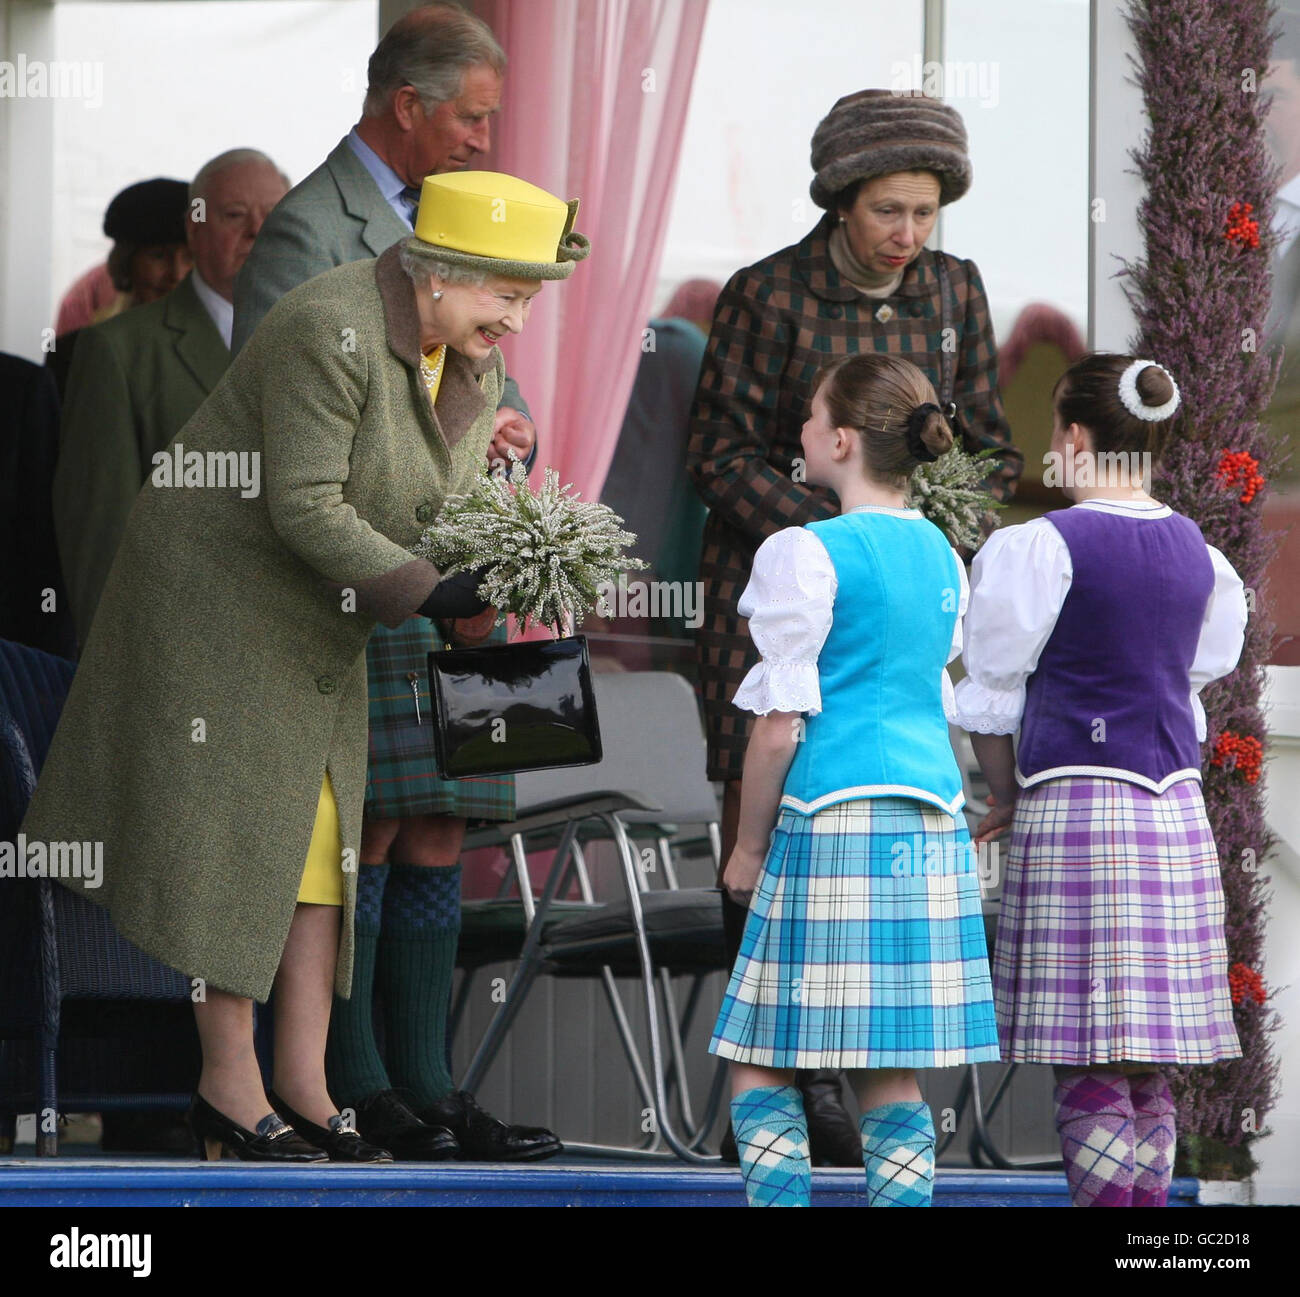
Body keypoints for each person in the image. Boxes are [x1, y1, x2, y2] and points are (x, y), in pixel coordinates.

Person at [20, 170, 589, 1163]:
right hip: (216, 605)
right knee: (239, 837)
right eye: (509, 294)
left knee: (324, 834)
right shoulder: (325, 325)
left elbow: (437, 515)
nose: (519, 320)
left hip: (322, 618)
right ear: (443, 270)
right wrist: (435, 591)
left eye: (529, 299)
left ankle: (307, 1084)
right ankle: (226, 1083)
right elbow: (308, 507)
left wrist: (483, 591)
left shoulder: (471, 362)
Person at [232, 4, 555, 1160]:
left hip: (454, 566)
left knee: (441, 823)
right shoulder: (308, 227)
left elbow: (474, 376)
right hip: (359, 578)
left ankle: (430, 1084)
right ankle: (355, 1083)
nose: (484, 137)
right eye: (470, 116)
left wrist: (504, 424)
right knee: (360, 831)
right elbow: (286, 437)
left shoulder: (462, 221)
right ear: (406, 106)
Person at [688, 87, 1020, 1163]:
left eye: (925, 212)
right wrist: (833, 537)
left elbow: (987, 450)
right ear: (840, 199)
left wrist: (902, 539)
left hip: (892, 617)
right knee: (770, 828)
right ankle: (797, 1090)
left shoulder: (955, 290)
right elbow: (717, 453)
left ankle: (850, 1091)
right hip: (779, 605)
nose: (908, 235)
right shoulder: (766, 295)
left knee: (871, 877)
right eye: (888, 209)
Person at [954, 354, 1247, 1208]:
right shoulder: (1203, 554)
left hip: (1078, 805)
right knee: (1147, 1055)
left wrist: (1002, 794)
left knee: (1088, 1051)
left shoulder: (1041, 545)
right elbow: (1194, 676)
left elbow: (992, 697)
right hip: (1174, 808)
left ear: (1075, 437)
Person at [708, 354, 1000, 1207]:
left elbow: (776, 727)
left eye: (807, 416)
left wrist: (748, 844)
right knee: (887, 1066)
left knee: (762, 1052)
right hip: (929, 816)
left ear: (838, 440)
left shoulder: (804, 551)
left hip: (829, 813)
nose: (799, 430)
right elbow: (937, 692)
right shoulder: (945, 553)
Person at [54, 149, 289, 646]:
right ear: (193, 228)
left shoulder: (328, 336)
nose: (256, 232)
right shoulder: (118, 351)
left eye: (273, 215)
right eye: (234, 215)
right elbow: (101, 536)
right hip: (180, 653)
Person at [46, 178, 193, 399]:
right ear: (126, 265)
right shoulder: (75, 354)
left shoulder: (231, 347)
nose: (177, 274)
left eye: (190, 257)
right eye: (158, 256)